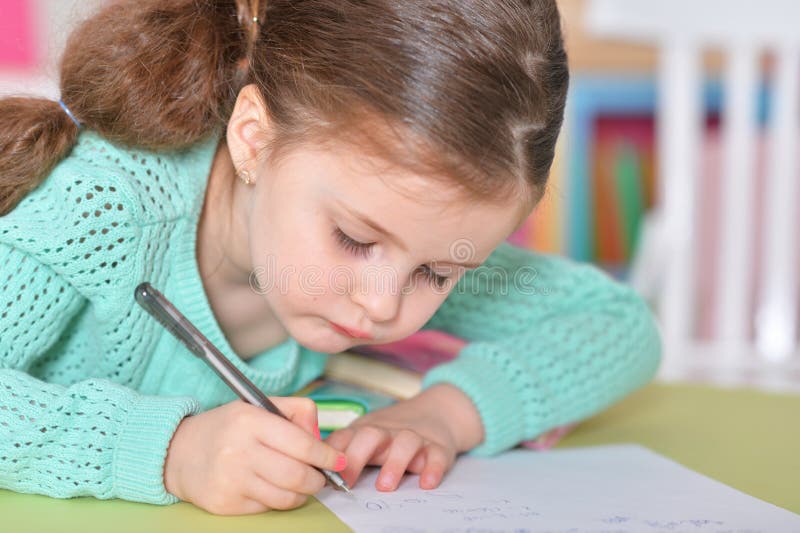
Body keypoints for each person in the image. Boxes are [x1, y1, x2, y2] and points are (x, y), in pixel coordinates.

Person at [0, 0, 661, 517]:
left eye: (439, 274)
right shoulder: (100, 210)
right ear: (254, 140)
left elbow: (616, 323)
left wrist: (448, 414)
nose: (384, 304)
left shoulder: (414, 234)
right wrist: (170, 451)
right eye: (354, 239)